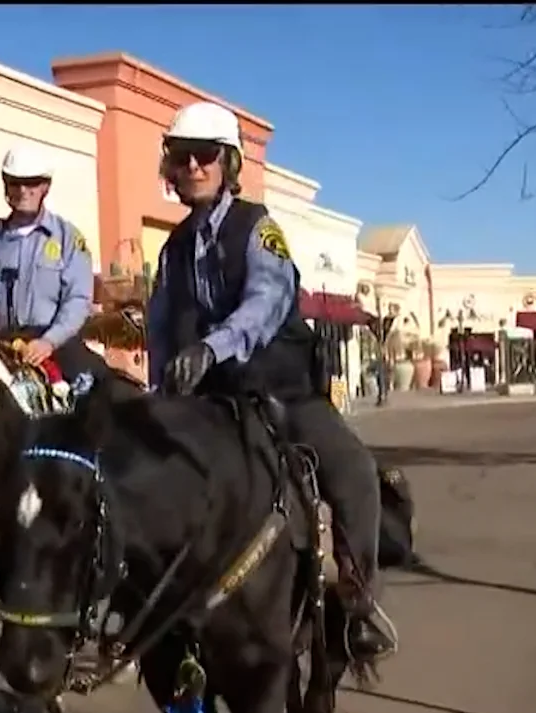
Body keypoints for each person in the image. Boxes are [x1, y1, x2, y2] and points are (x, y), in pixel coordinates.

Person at [144, 101, 396, 660]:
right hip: (206, 404)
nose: (192, 167)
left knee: (354, 471)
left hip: (281, 393)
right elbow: (160, 328)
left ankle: (357, 603)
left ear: (228, 163)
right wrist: (157, 386)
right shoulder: (172, 249)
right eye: (180, 157)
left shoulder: (260, 230)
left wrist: (211, 349)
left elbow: (266, 302)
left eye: (204, 156)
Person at [0, 144, 110, 396]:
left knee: (98, 389)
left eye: (31, 183)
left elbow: (78, 299)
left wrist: (49, 341)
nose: (23, 190)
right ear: (6, 186)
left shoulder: (68, 239)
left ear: (45, 187)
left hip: (54, 344)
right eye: (15, 183)